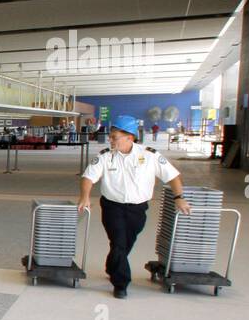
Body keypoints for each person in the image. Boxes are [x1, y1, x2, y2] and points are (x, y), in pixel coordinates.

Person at [77, 115, 191, 299]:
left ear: (129, 137)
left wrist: (179, 198)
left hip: (138, 209)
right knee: (119, 241)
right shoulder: (106, 156)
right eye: (111, 137)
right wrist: (85, 197)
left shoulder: (149, 155)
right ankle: (121, 284)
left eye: (115, 137)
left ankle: (112, 266)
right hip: (112, 207)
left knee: (124, 243)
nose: (110, 140)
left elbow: (172, 176)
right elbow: (88, 177)